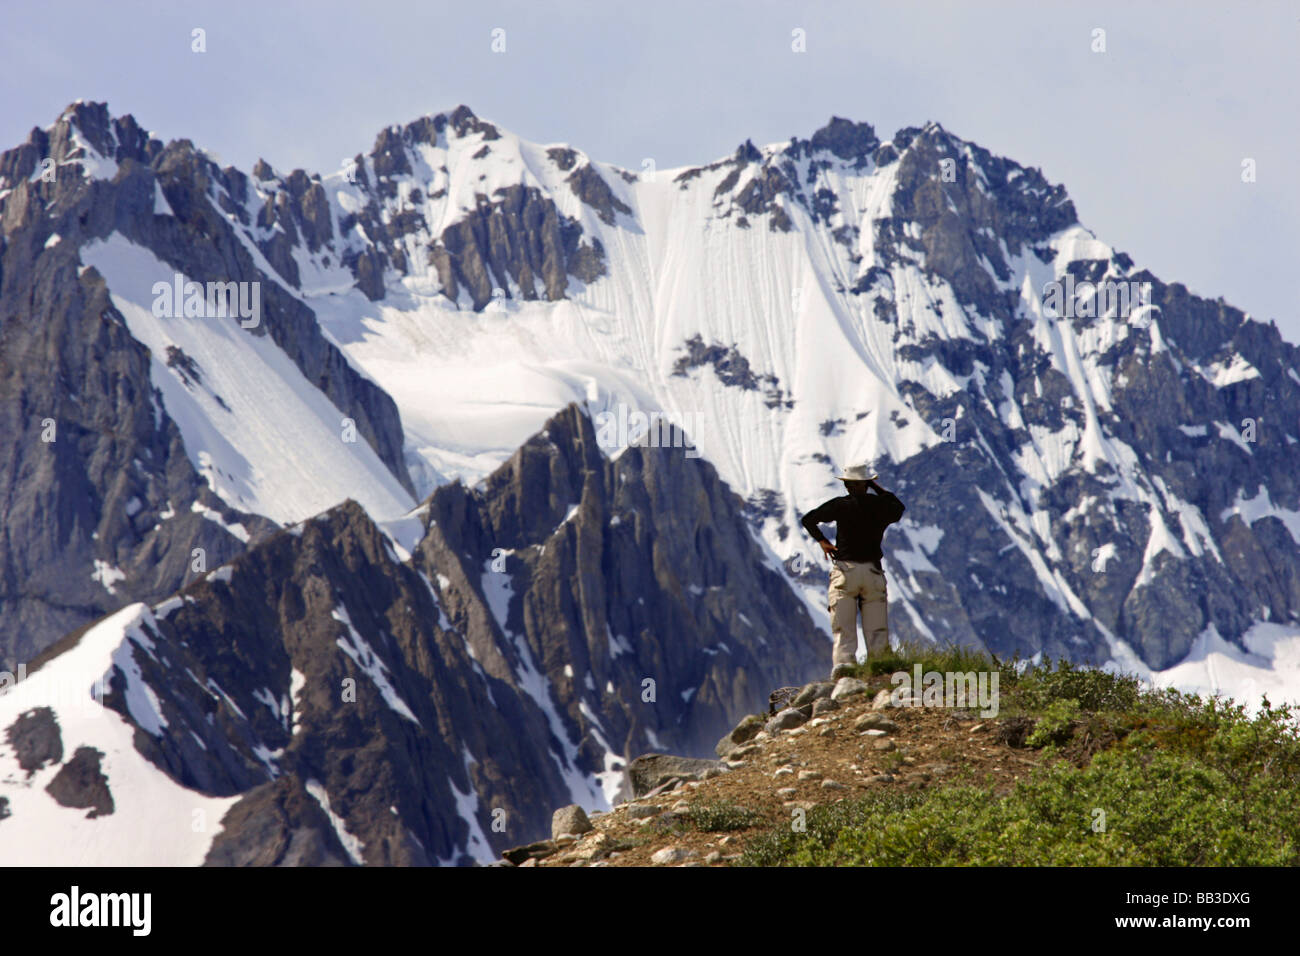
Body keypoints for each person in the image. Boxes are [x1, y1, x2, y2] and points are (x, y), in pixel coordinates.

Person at [800, 464, 906, 679]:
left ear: (847, 485)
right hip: (873, 572)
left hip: (845, 572)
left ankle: (845, 671)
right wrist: (875, 487)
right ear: (867, 484)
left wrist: (823, 542)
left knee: (843, 629)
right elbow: (898, 507)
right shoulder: (881, 507)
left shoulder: (840, 505)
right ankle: (881, 670)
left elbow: (808, 519)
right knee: (877, 629)